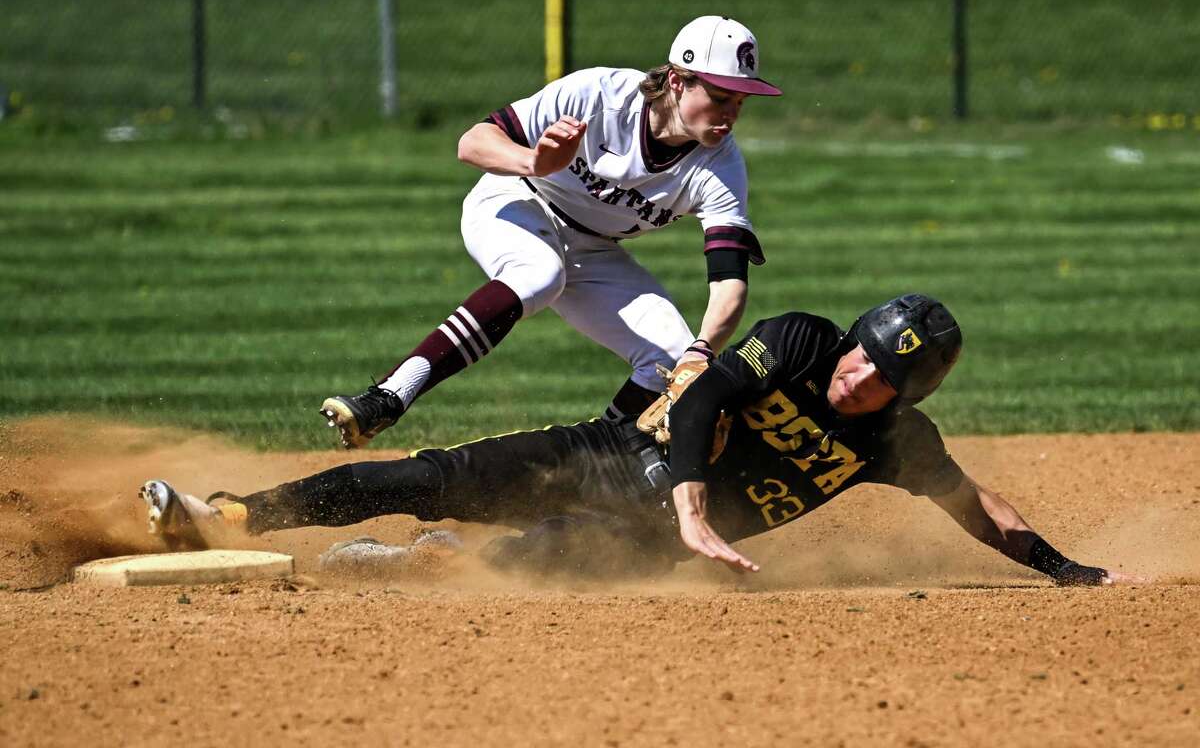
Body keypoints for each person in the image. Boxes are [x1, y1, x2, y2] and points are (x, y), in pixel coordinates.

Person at [142, 293, 1142, 586]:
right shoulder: (800, 340)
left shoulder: (900, 443)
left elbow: (981, 509)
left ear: (906, 391)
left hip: (650, 540)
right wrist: (693, 502)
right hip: (613, 458)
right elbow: (701, 401)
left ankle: (402, 564)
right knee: (431, 473)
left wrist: (1063, 567)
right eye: (860, 352)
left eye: (877, 372)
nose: (853, 369)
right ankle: (228, 511)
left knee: (514, 569)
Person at [319, 15, 782, 449]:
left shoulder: (720, 167)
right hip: (514, 198)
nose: (732, 113)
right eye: (720, 96)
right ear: (678, 82)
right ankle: (387, 397)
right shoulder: (600, 96)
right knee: (539, 272)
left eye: (740, 100)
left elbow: (729, 282)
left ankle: (598, 464)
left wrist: (700, 352)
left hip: (594, 248)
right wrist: (534, 163)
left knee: (670, 358)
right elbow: (472, 142)